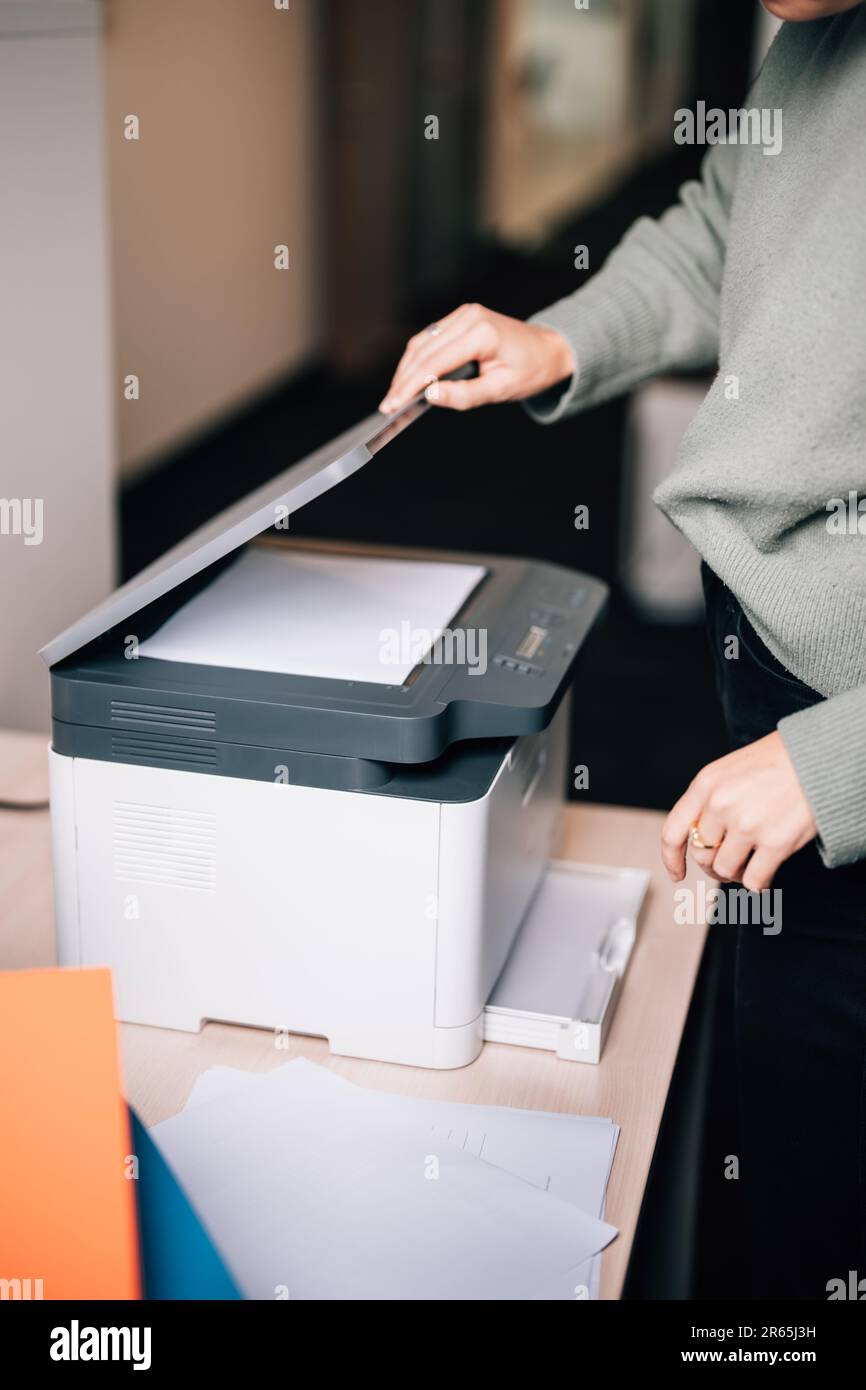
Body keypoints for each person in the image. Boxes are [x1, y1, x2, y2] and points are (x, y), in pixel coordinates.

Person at [381, 2, 866, 1300]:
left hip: (839, 745)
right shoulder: (816, 43)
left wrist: (835, 761)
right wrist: (564, 337)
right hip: (770, 689)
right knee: (783, 1134)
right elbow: (727, 228)